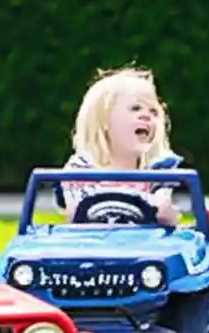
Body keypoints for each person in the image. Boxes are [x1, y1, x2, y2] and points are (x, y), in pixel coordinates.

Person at [59, 67, 181, 226]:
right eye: (136, 108)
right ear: (103, 121)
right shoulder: (82, 168)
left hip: (145, 246)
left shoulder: (158, 171)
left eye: (153, 112)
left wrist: (166, 214)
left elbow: (164, 211)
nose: (147, 116)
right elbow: (76, 212)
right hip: (93, 245)